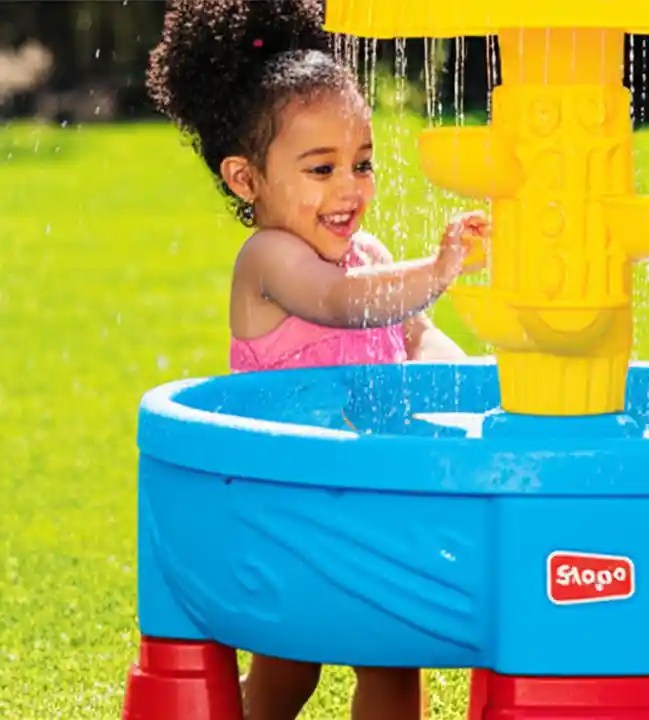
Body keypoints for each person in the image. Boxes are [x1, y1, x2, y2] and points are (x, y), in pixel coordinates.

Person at [146, 1, 486, 717]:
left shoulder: (370, 257)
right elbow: (341, 302)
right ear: (246, 180)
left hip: (370, 495)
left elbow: (415, 338)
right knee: (286, 673)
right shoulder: (268, 260)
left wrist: (482, 389)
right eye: (321, 168)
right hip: (289, 506)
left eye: (361, 164)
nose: (349, 190)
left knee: (394, 664)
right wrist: (440, 266)